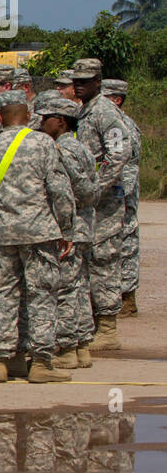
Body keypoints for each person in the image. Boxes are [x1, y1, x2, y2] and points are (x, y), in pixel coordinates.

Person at [0, 90, 74, 383]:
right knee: (41, 296)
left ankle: (3, 361)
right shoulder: (43, 144)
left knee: (3, 297)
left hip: (1, 235)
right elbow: (60, 190)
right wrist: (67, 229)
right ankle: (40, 363)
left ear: (0, 118)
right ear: (28, 116)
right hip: (39, 233)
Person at [35, 91, 97, 369]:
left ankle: (68, 347)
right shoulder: (78, 145)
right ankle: (82, 345)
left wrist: (69, 212)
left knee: (65, 290)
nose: (41, 124)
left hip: (71, 227)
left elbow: (84, 189)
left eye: (45, 119)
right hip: (79, 226)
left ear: (60, 121)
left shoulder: (64, 148)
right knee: (79, 288)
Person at [72, 58, 131, 351]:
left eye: (85, 80)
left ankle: (108, 328)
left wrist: (97, 187)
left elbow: (119, 153)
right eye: (76, 80)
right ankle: (95, 321)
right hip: (89, 202)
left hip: (104, 203)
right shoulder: (85, 111)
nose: (79, 85)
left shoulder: (105, 112)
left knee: (104, 260)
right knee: (89, 260)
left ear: (99, 82)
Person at [101, 79, 140, 318]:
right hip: (114, 190)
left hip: (121, 191)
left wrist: (118, 193)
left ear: (116, 100)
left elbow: (126, 164)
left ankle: (127, 296)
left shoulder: (123, 124)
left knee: (126, 241)